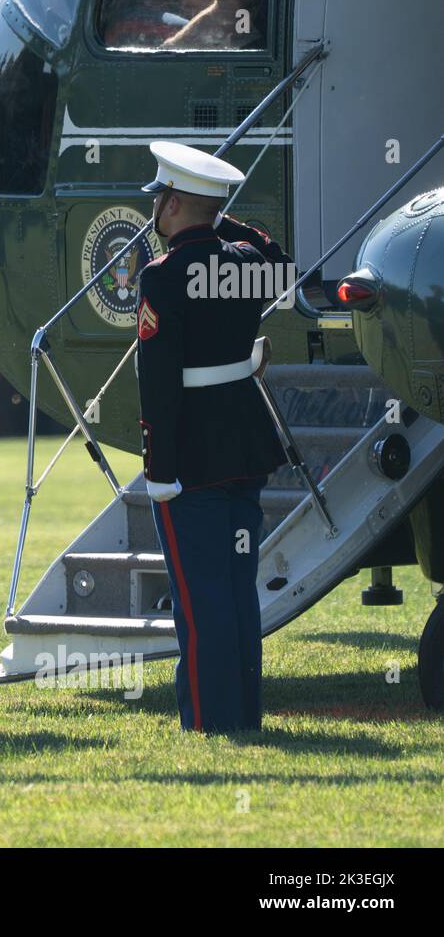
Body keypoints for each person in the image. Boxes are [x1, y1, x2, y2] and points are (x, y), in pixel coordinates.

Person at [136, 140, 288, 733]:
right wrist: (222, 216)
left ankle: (207, 720)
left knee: (200, 601)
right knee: (235, 588)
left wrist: (159, 467)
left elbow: (158, 382)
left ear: (172, 204)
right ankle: (243, 712)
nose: (155, 208)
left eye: (161, 198)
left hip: (192, 456)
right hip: (244, 443)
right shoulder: (247, 263)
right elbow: (283, 260)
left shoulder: (164, 275)